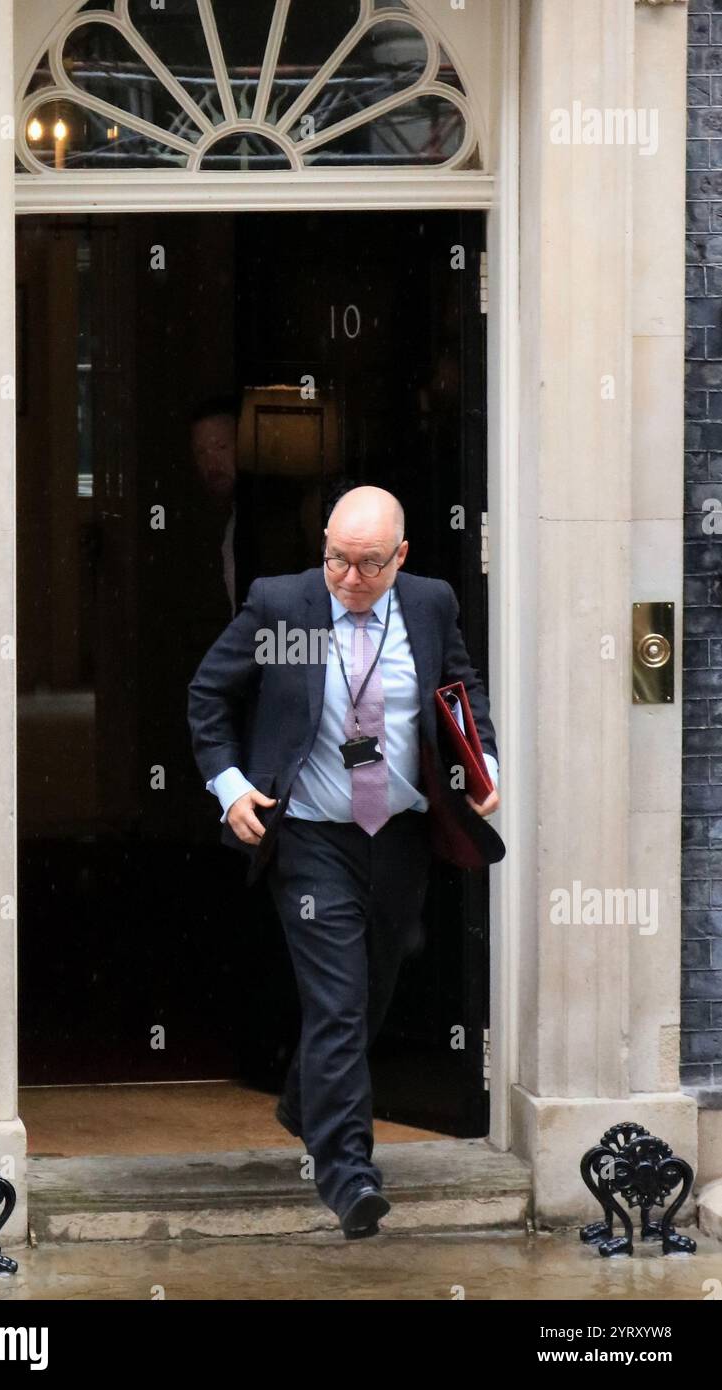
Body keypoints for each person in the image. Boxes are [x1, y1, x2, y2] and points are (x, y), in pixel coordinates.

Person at [187, 485, 501, 1239]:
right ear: (321, 543)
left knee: (376, 990)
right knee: (339, 1002)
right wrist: (230, 787)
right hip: (310, 836)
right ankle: (348, 1172)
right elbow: (208, 695)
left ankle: (304, 1096)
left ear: (401, 557)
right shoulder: (281, 605)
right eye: (336, 560)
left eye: (367, 564)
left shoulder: (429, 605)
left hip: (395, 835)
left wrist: (479, 762)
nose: (349, 579)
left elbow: (459, 689)